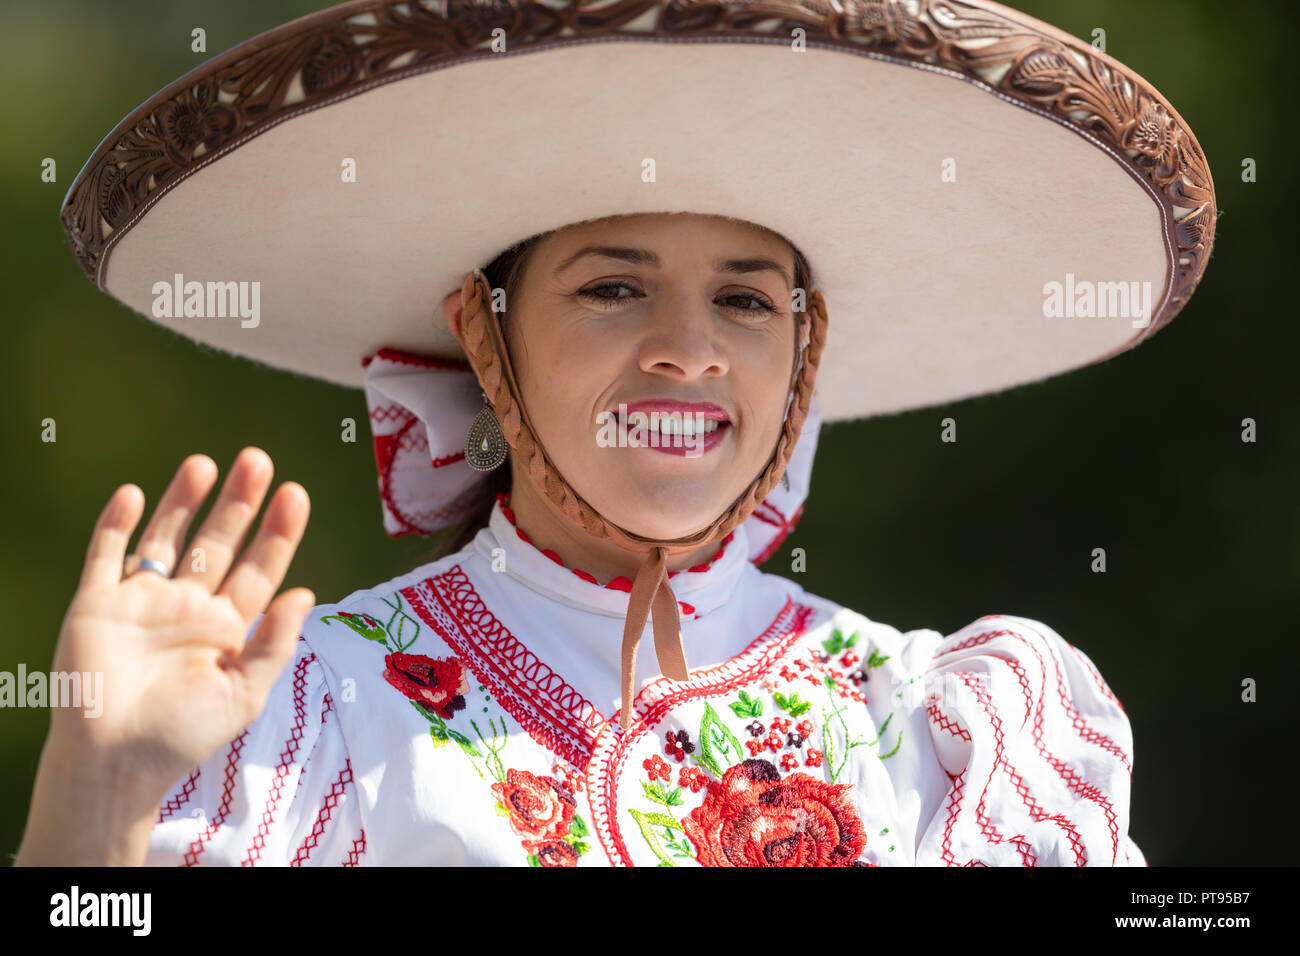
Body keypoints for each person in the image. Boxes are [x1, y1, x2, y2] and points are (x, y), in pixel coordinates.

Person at [21, 0, 1216, 866]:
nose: (687, 349)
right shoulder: (315, 706)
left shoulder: (937, 719)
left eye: (747, 301)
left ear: (804, 352)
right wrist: (98, 795)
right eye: (611, 288)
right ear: (482, 338)